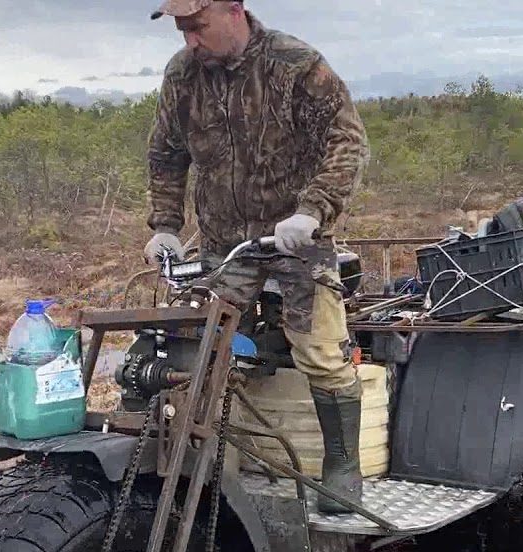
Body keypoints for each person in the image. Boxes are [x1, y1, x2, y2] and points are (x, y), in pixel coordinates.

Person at [142, 0, 371, 513]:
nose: (190, 41)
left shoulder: (294, 64)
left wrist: (313, 211)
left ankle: (341, 468)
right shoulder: (182, 75)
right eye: (181, 30)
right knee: (209, 349)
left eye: (197, 27)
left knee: (321, 350)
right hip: (226, 245)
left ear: (234, 11)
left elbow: (346, 142)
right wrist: (164, 226)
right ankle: (211, 459)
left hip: (297, 240)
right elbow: (166, 155)